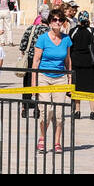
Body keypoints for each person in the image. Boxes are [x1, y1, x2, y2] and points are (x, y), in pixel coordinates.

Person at [30, 9, 72, 154]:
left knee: (59, 113)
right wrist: (33, 82)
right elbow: (36, 61)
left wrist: (70, 79)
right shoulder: (42, 38)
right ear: (49, 22)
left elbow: (67, 60)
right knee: (46, 111)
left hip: (60, 78)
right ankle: (42, 137)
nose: (57, 22)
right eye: (54, 19)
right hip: (44, 77)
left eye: (60, 20)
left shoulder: (66, 39)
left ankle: (57, 142)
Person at [68, 10, 94, 119]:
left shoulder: (73, 31)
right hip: (89, 63)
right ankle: (93, 112)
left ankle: (77, 111)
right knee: (91, 88)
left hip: (76, 62)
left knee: (77, 87)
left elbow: (70, 44)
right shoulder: (91, 30)